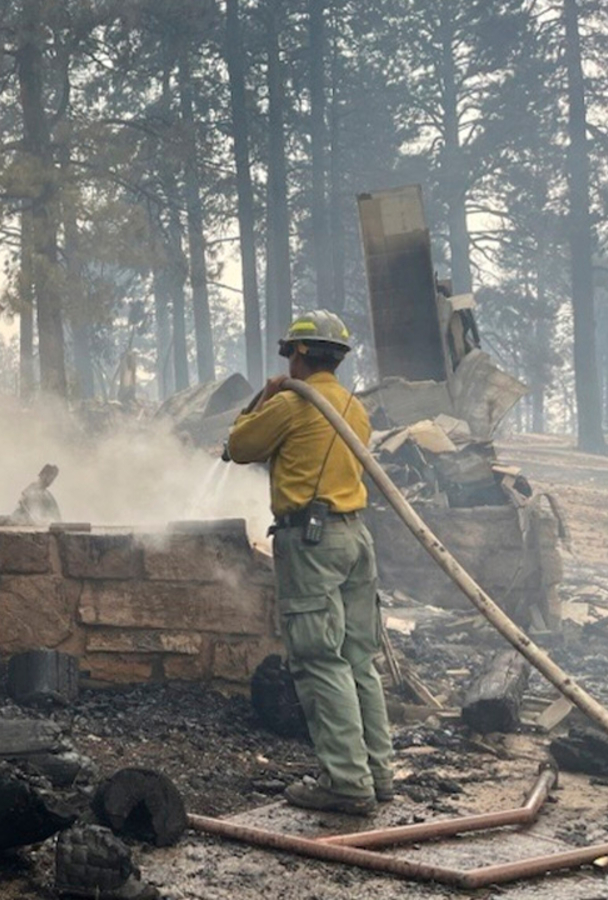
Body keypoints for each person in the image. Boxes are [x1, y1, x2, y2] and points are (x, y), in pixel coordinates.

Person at [225, 310, 393, 816]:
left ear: (296, 354)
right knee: (358, 659)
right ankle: (377, 774)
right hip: (355, 538)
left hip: (311, 542)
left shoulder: (292, 404)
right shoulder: (354, 407)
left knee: (320, 660)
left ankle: (346, 783)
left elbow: (239, 446)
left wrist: (266, 396)